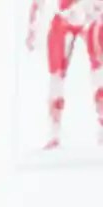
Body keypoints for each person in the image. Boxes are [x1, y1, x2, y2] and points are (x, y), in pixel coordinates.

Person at [26, 0, 103, 148]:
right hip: (64, 16)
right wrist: (32, 25)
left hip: (90, 15)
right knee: (56, 75)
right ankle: (54, 132)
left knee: (99, 71)